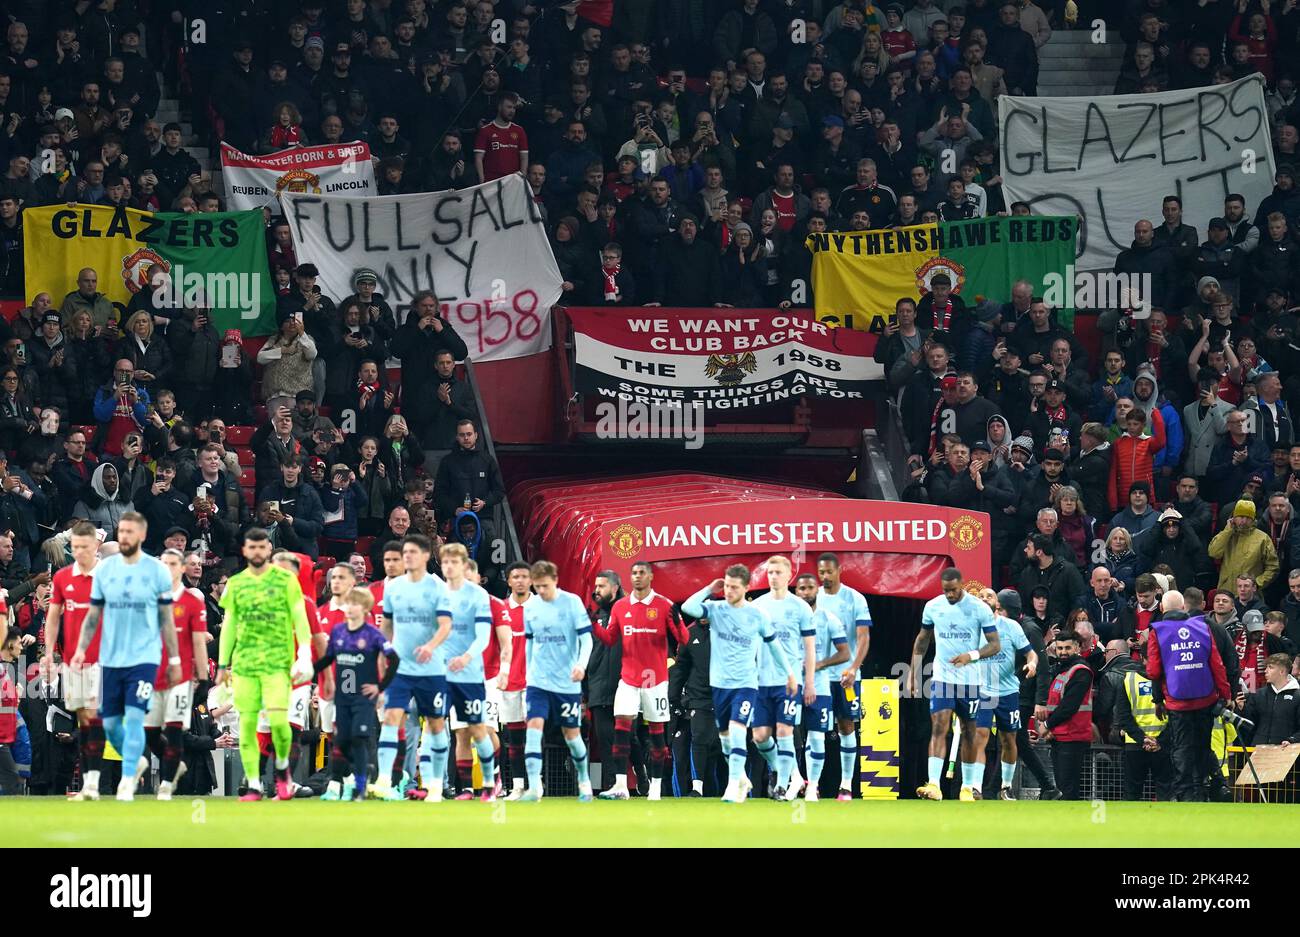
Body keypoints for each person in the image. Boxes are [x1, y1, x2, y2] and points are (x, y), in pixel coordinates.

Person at [68, 513, 180, 802]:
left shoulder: (156, 571)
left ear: (142, 535)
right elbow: (93, 616)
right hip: (110, 658)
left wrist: (175, 659)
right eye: (122, 531)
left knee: (133, 718)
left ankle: (128, 779)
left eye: (131, 531)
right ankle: (135, 761)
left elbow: (167, 619)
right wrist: (81, 649)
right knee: (109, 725)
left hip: (144, 658)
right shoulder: (105, 571)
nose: (126, 536)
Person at [214, 529, 313, 802]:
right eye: (252, 548)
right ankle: (255, 785)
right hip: (245, 665)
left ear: (269, 549)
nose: (257, 552)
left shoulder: (286, 581)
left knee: (280, 722)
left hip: (278, 664)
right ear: (245, 551)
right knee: (247, 724)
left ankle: (282, 772)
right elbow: (230, 625)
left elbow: (299, 619)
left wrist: (304, 653)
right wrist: (223, 664)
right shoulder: (235, 583)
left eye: (262, 547)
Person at [684, 564, 795, 804]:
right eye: (726, 586)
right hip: (719, 685)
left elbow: (774, 646)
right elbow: (687, 607)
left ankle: (733, 786)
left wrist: (789, 674)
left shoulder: (757, 615)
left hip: (745, 684)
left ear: (746, 588)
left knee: (737, 730)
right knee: (725, 736)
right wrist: (707, 589)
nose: (728, 591)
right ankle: (744, 778)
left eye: (734, 587)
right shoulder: (716, 609)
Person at [593, 560, 687, 801]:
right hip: (628, 679)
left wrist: (678, 620)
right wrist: (592, 625)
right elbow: (611, 639)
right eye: (633, 573)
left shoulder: (664, 606)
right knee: (621, 730)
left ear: (651, 576)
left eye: (641, 573)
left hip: (655, 681)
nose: (636, 577)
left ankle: (655, 787)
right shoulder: (620, 607)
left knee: (657, 735)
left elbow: (683, 639)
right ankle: (621, 786)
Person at [909, 567, 1000, 801]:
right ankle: (933, 785)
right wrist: (913, 673)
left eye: (953, 590)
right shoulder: (933, 607)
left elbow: (994, 645)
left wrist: (971, 655)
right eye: (946, 591)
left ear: (962, 585)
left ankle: (968, 787)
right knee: (939, 726)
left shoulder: (979, 609)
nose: (949, 595)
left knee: (969, 732)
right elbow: (922, 640)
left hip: (970, 681)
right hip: (942, 677)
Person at [376, 534, 453, 802]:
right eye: (404, 552)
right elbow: (386, 625)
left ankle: (434, 785)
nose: (406, 556)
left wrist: (431, 646)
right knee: (391, 718)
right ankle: (384, 780)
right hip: (401, 669)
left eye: (411, 552)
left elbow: (445, 625)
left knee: (435, 725)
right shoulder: (393, 588)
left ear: (424, 555)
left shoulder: (437, 587)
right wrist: (384, 655)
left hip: (431, 670)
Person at [520, 559, 596, 802]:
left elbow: (587, 640)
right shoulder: (530, 607)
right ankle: (534, 788)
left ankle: (584, 781)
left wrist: (580, 666)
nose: (541, 591)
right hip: (538, 681)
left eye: (544, 586)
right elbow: (530, 642)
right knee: (533, 730)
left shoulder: (572, 603)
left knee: (571, 734)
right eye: (537, 586)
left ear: (555, 580)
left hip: (566, 683)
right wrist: (528, 675)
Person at [1147, 590, 1232, 801]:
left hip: (1178, 703)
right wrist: (1226, 694)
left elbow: (1154, 672)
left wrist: (1158, 699)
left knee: (1182, 748)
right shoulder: (1202, 627)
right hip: (1206, 699)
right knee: (1203, 746)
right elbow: (1217, 665)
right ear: (1183, 607)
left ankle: (1185, 793)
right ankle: (1210, 787)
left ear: (1161, 608)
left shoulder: (1158, 632)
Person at [315, 588, 398, 801]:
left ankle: (360, 788)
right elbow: (329, 658)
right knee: (341, 740)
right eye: (348, 603)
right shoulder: (338, 631)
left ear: (365, 608)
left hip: (363, 697)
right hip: (342, 696)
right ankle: (364, 769)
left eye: (354, 604)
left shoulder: (373, 634)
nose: (349, 607)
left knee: (358, 738)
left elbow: (394, 660)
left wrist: (380, 687)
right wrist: (311, 671)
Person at [41, 522, 102, 800]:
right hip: (72, 662)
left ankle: (92, 784)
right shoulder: (62, 578)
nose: (79, 552)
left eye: (84, 547)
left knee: (91, 716)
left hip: (102, 660)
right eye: (74, 548)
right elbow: (53, 617)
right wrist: (49, 652)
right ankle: (92, 782)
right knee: (85, 720)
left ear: (95, 546)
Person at [432, 543, 496, 801]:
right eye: (444, 562)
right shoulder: (435, 594)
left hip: (469, 673)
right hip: (439, 673)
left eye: (453, 562)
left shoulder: (477, 596)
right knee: (435, 726)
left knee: (477, 729)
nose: (448, 566)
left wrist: (467, 656)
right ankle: (436, 785)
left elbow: (483, 636)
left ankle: (490, 783)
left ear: (463, 564)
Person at [143, 549, 208, 800]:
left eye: (172, 563)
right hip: (152, 676)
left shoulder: (192, 602)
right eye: (163, 564)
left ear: (182, 568)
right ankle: (175, 764)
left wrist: (202, 678)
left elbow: (199, 642)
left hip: (179, 679)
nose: (166, 568)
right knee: (149, 732)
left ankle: (167, 784)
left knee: (174, 730)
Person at [750, 556, 815, 800]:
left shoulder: (800, 607)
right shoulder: (757, 606)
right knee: (760, 737)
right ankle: (788, 772)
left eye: (778, 572)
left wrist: (808, 682)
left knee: (785, 730)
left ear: (789, 576)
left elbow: (809, 648)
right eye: (770, 572)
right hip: (761, 681)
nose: (773, 576)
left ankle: (781, 786)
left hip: (789, 681)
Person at [816, 551, 873, 799]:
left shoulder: (855, 598)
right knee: (814, 728)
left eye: (829, 571)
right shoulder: (812, 597)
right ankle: (813, 785)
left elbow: (863, 637)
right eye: (821, 572)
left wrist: (854, 668)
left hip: (845, 676)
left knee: (846, 725)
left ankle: (846, 784)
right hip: (818, 677)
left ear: (839, 570)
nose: (825, 576)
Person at [978, 590, 1038, 799]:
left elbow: (1030, 653)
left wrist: (1031, 662)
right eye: (981, 596)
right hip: (983, 691)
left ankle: (1005, 787)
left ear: (998, 603)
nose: (985, 598)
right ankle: (975, 787)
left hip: (1008, 691)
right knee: (980, 736)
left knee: (1008, 739)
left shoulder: (1011, 627)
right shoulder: (971, 628)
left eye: (989, 595)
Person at [1038, 629, 1093, 800]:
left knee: (1068, 788)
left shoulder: (1080, 671)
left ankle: (1072, 822)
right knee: (1063, 786)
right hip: (1059, 735)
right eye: (1060, 648)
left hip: (1073, 736)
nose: (1063, 652)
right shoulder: (1062, 670)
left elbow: (1069, 706)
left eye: (1067, 648)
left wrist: (1046, 725)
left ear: (1077, 648)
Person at [1209, 499, 1279, 594]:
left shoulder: (1263, 538)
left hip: (1250, 594)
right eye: (1241, 516)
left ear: (1253, 519)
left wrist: (1257, 583)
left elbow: (1273, 567)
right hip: (1226, 591)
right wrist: (1227, 531)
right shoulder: (1226, 535)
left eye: (1248, 518)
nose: (1244, 521)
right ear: (1234, 517)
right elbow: (1214, 552)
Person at [1237, 653, 1300, 746]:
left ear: (1282, 671)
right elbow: (1249, 724)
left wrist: (1292, 740)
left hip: (1285, 753)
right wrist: (1242, 708)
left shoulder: (1297, 696)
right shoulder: (1258, 694)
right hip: (1258, 751)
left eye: (1270, 667)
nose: (1265, 671)